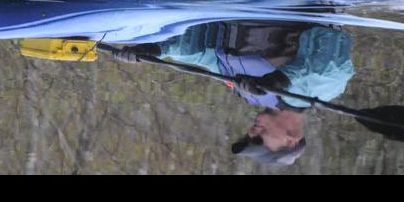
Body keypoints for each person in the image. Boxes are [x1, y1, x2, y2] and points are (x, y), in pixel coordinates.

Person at [110, 18, 355, 166]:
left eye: (248, 138)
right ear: (291, 139)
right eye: (258, 140)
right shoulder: (322, 90)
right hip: (285, 0)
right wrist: (283, 78)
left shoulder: (245, 91)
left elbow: (205, 52)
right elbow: (332, 53)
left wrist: (156, 49)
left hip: (235, 1)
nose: (251, 133)